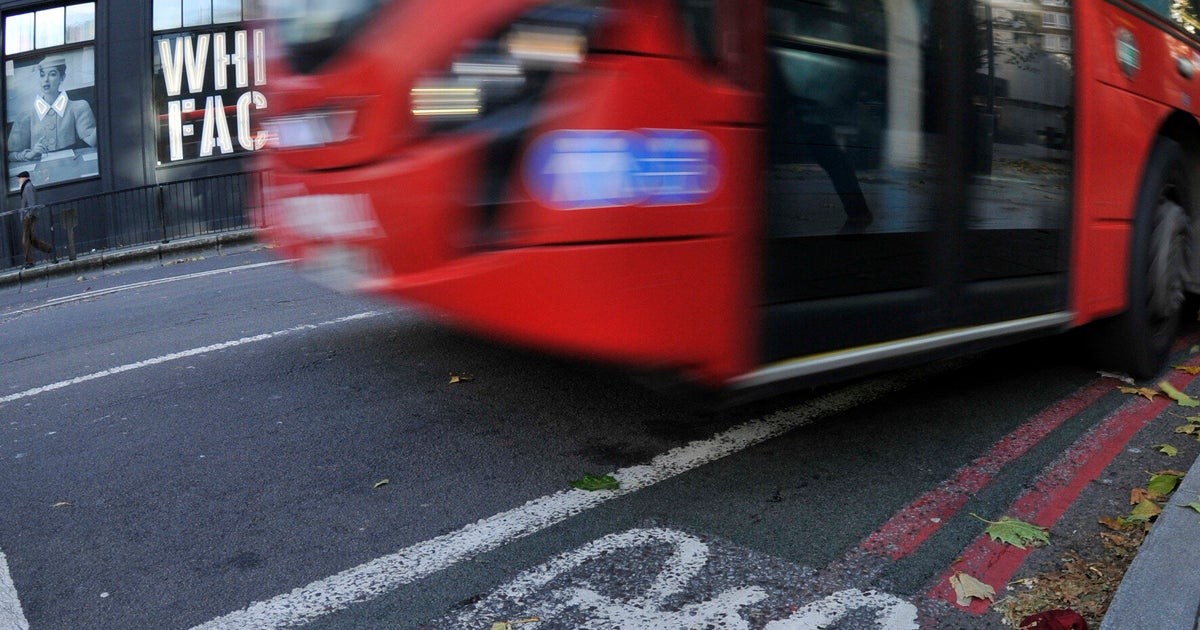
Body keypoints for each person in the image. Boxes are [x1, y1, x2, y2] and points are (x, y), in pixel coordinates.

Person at [7, 56, 97, 163]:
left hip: (72, 166)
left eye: (52, 74)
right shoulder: (25, 115)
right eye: (42, 75)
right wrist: (29, 154)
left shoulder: (78, 107)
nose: (46, 80)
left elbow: (92, 141)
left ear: (62, 77)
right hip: (39, 174)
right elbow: (10, 156)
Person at [17, 171, 53, 268]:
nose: (18, 180)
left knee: (25, 240)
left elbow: (32, 204)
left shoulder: (28, 187)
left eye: (19, 178)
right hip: (28, 217)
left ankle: (29, 261)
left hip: (29, 217)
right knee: (31, 239)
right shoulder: (26, 186)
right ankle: (49, 249)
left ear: (24, 178)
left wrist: (28, 216)